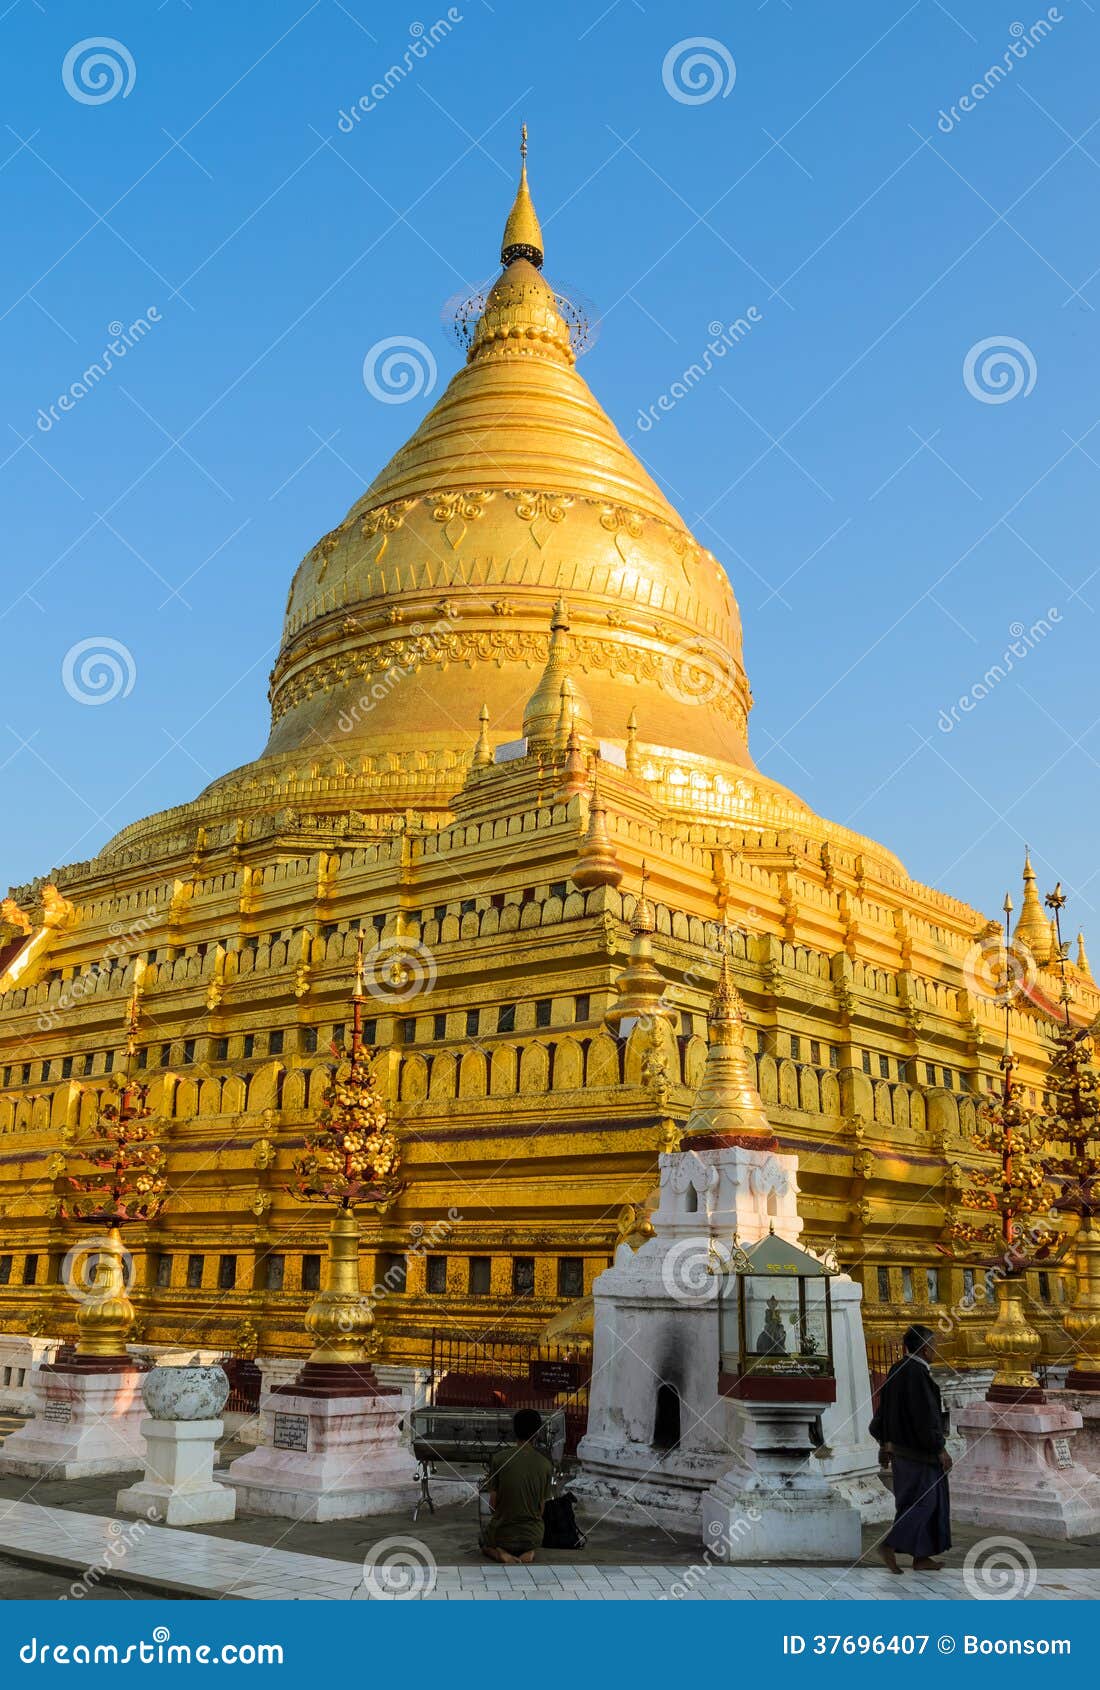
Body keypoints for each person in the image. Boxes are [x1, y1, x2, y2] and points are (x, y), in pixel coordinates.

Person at [869, 1324, 952, 1573]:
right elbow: (925, 1417)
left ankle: (922, 1557)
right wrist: (940, 1449)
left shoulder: (897, 1369)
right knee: (926, 1503)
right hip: (920, 1453)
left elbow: (882, 1414)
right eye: (934, 1346)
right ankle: (890, 1545)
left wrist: (884, 1443)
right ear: (925, 1349)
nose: (935, 1350)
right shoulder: (917, 1374)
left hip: (902, 1452)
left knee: (913, 1503)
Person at [482, 1408, 554, 1564]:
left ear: (514, 1431)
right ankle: (529, 1552)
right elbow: (541, 1509)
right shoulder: (546, 1465)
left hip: (502, 1535)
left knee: (483, 1542)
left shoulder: (499, 1459)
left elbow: (492, 1505)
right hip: (533, 1536)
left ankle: (500, 1554)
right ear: (537, 1433)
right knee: (532, 1536)